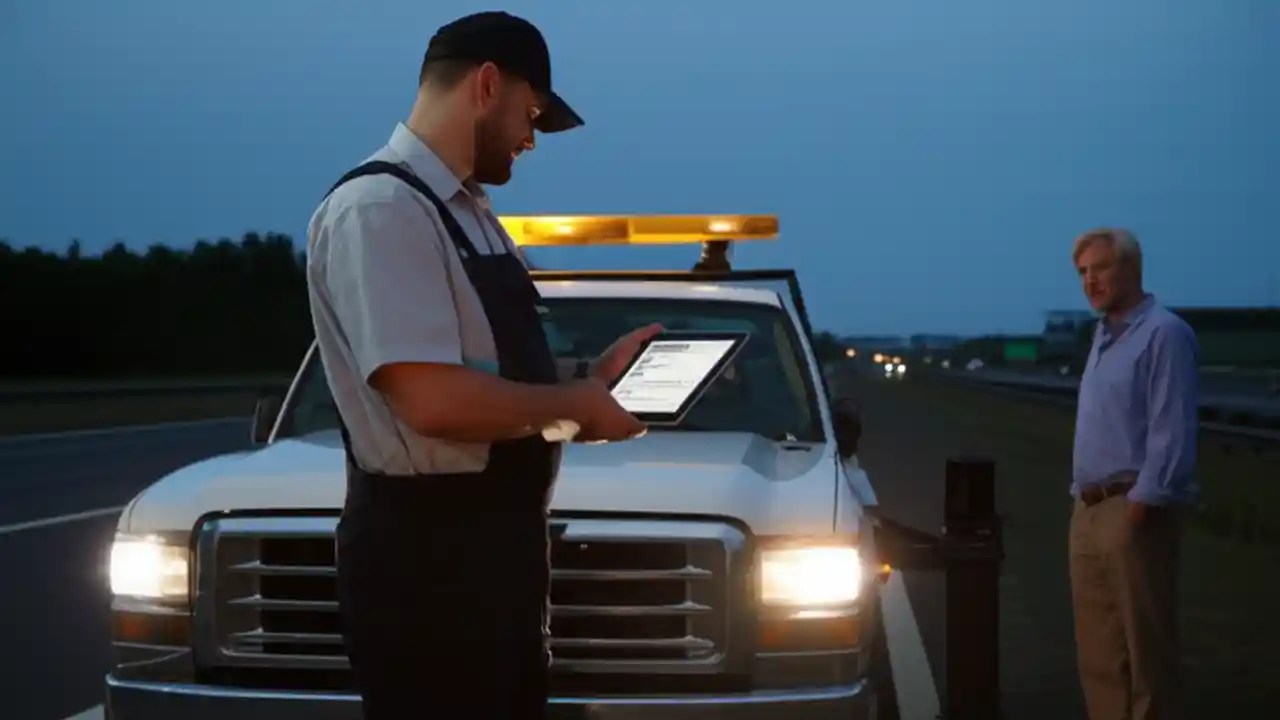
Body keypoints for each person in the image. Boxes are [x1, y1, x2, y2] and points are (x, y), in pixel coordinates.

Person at [303, 11, 660, 718]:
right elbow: (432, 401)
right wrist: (572, 407)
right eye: (530, 114)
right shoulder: (381, 209)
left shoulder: (468, 211)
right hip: (427, 573)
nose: (530, 139)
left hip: (495, 563)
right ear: (488, 85)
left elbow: (491, 377)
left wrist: (589, 383)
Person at [1068, 227, 1199, 720]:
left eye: (1099, 268)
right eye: (1082, 272)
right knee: (1098, 651)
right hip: (1088, 506)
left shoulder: (1164, 333)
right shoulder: (1103, 337)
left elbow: (1172, 426)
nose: (1090, 281)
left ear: (1131, 268)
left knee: (1146, 651)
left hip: (1133, 508)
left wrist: (1143, 503)